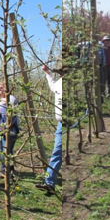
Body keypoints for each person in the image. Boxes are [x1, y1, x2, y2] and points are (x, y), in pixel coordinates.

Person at [35, 64, 64, 195]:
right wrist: (47, 74)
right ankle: (49, 183)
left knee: (58, 151)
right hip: (60, 123)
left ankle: (50, 182)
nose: (59, 73)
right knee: (57, 152)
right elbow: (53, 87)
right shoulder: (59, 83)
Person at [0, 81, 20, 175]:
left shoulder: (11, 99)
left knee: (6, 150)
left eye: (2, 87)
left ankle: (8, 172)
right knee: (2, 151)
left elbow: (12, 112)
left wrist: (6, 125)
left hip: (8, 129)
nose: (0, 89)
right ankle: (6, 171)